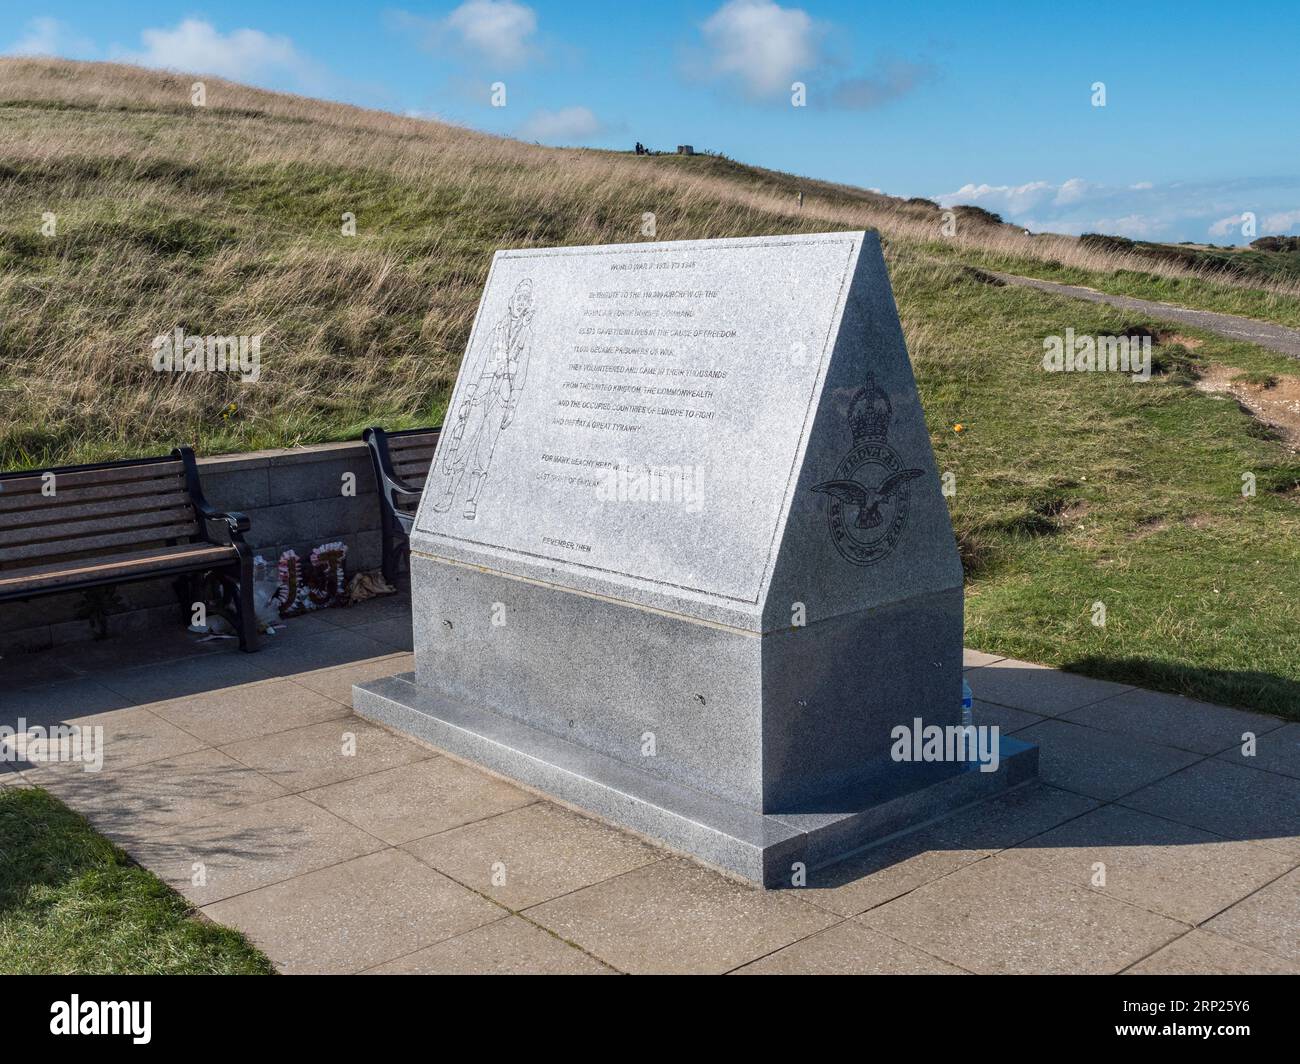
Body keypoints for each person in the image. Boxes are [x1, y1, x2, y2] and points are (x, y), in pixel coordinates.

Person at [432, 277, 535, 519]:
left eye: (525, 300)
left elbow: (522, 372)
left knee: (484, 451)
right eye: (518, 298)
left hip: (502, 397)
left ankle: (471, 501)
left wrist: (512, 405)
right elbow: (479, 364)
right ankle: (448, 495)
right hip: (482, 393)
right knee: (464, 445)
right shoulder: (498, 328)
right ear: (512, 302)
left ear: (529, 305)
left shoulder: (527, 334)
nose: (521, 303)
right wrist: (468, 395)